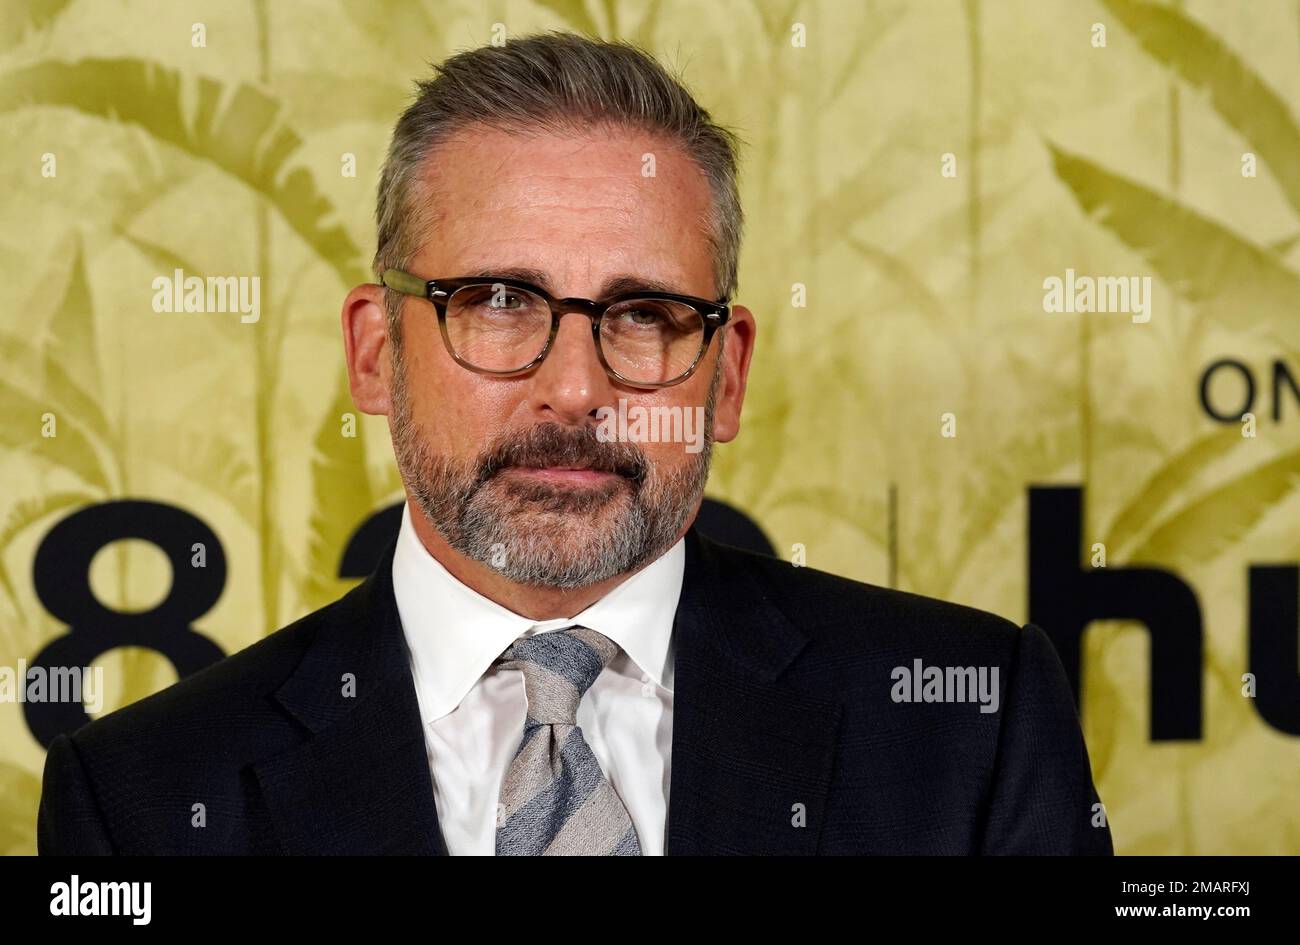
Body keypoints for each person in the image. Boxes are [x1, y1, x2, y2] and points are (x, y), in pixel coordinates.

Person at [38, 31, 1111, 855]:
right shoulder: (136, 797)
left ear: (725, 376)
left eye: (643, 313)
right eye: (500, 299)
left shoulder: (973, 721)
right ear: (375, 354)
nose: (575, 387)